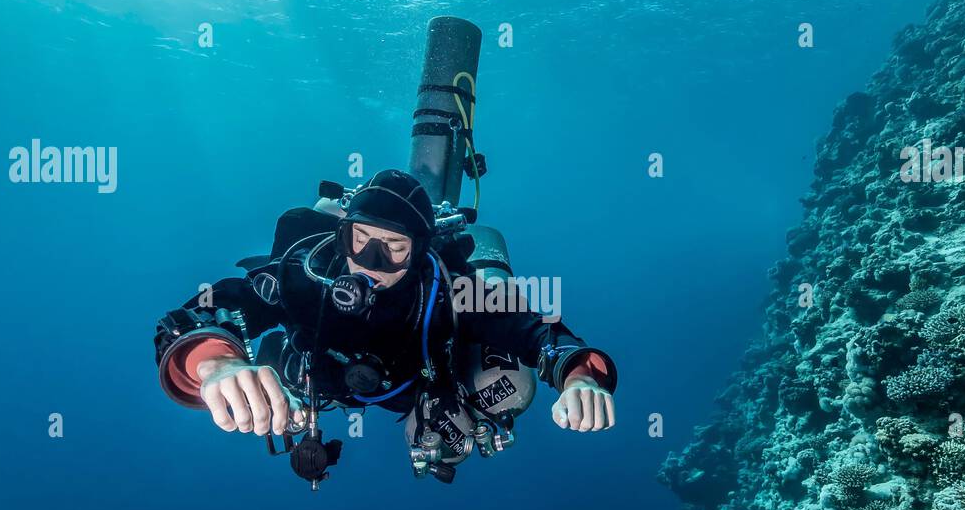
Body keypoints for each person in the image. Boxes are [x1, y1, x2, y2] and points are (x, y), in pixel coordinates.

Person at [153, 169, 617, 482]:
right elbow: (215, 303)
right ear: (343, 234)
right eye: (360, 240)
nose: (369, 262)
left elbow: (532, 330)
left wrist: (579, 375)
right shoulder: (305, 273)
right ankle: (279, 366)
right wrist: (214, 361)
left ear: (418, 252)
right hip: (320, 375)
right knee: (279, 366)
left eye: (392, 247)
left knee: (483, 414)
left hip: (420, 382)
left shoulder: (447, 287)